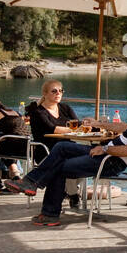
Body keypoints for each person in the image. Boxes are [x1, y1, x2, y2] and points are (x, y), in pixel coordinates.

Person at [4, 90, 127, 227]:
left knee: (59, 167)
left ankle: (49, 212)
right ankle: (31, 182)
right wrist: (99, 124)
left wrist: (104, 148)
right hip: (107, 155)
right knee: (62, 146)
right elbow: (125, 127)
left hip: (110, 161)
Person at [25, 80, 81, 208]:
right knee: (68, 162)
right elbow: (52, 128)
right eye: (54, 91)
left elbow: (78, 124)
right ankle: (72, 194)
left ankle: (69, 191)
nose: (58, 93)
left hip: (68, 147)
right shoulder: (38, 112)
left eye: (60, 91)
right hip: (45, 150)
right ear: (45, 93)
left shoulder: (65, 108)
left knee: (87, 158)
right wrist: (73, 129)